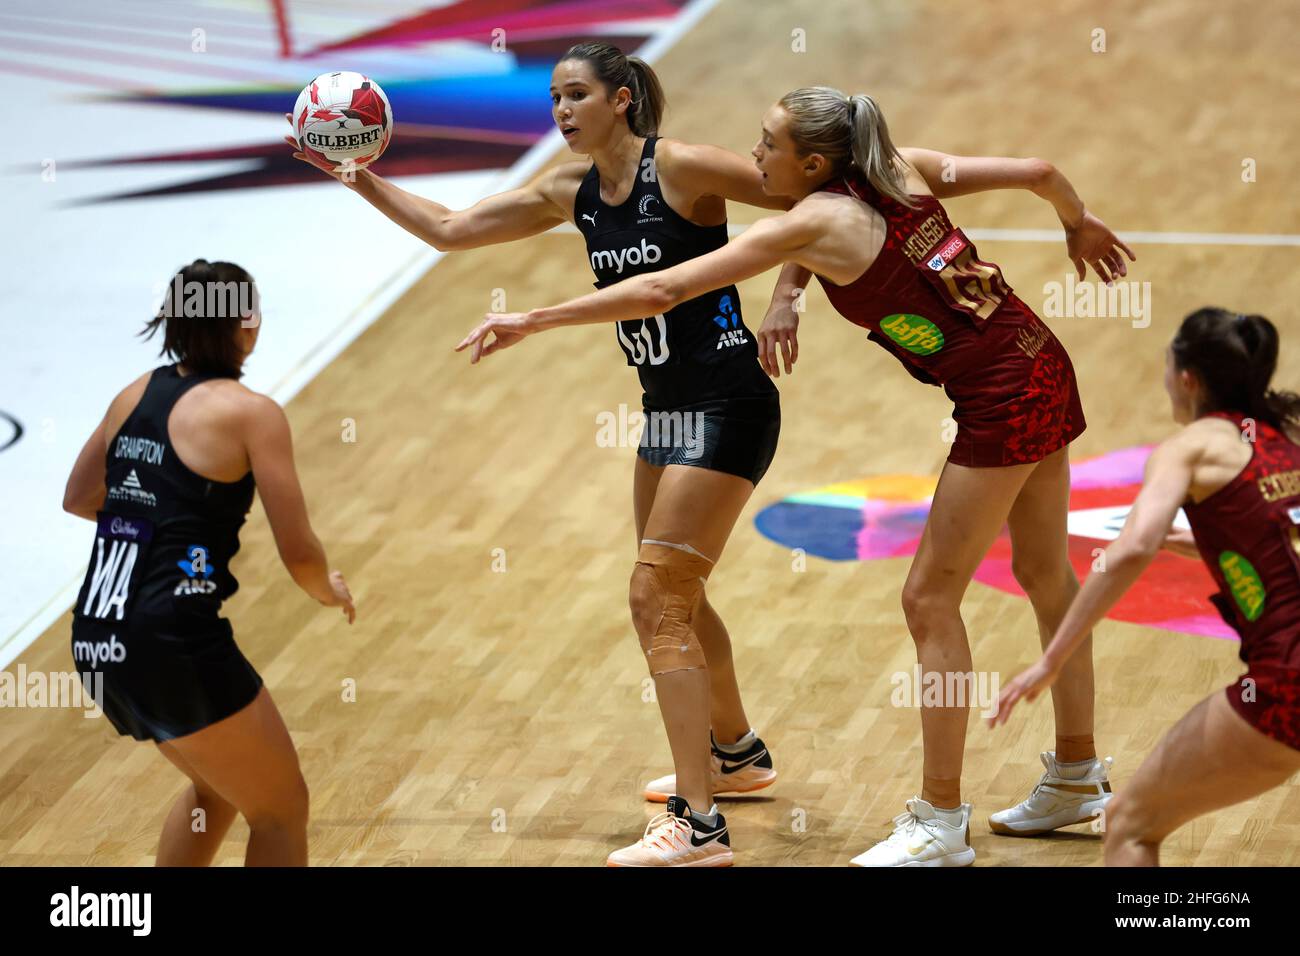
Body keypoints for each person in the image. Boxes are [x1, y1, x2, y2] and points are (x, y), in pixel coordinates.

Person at [456, 85, 1136, 866]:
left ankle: (941, 822)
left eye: (767, 143)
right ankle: (1079, 775)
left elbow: (665, 288)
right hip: (1039, 359)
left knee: (928, 598)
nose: (753, 155)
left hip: (1002, 402)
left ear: (812, 163)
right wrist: (1077, 223)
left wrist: (530, 319)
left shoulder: (813, 218)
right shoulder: (900, 169)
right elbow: (1041, 170)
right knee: (1044, 573)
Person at [289, 42, 793, 866]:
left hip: (729, 405)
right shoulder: (573, 190)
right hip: (664, 411)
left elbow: (812, 197)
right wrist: (353, 173)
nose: (560, 111)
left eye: (576, 95)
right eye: (554, 98)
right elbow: (452, 231)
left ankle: (700, 826)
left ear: (623, 99)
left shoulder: (688, 168)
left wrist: (789, 296)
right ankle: (735, 757)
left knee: (652, 600)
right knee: (682, 598)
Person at [63, 259, 355, 866]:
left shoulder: (134, 394)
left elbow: (80, 497)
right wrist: (327, 589)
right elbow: (300, 554)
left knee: (216, 791)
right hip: (171, 641)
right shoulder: (251, 413)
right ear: (248, 322)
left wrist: (156, 524)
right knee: (280, 808)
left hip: (97, 638)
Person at [993, 308, 1300, 866]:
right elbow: (1271, 530)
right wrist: (1193, 541)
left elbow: (1129, 549)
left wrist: (1051, 661)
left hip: (1288, 685)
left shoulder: (1189, 449)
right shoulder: (1283, 437)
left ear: (1187, 378)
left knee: (1130, 824)